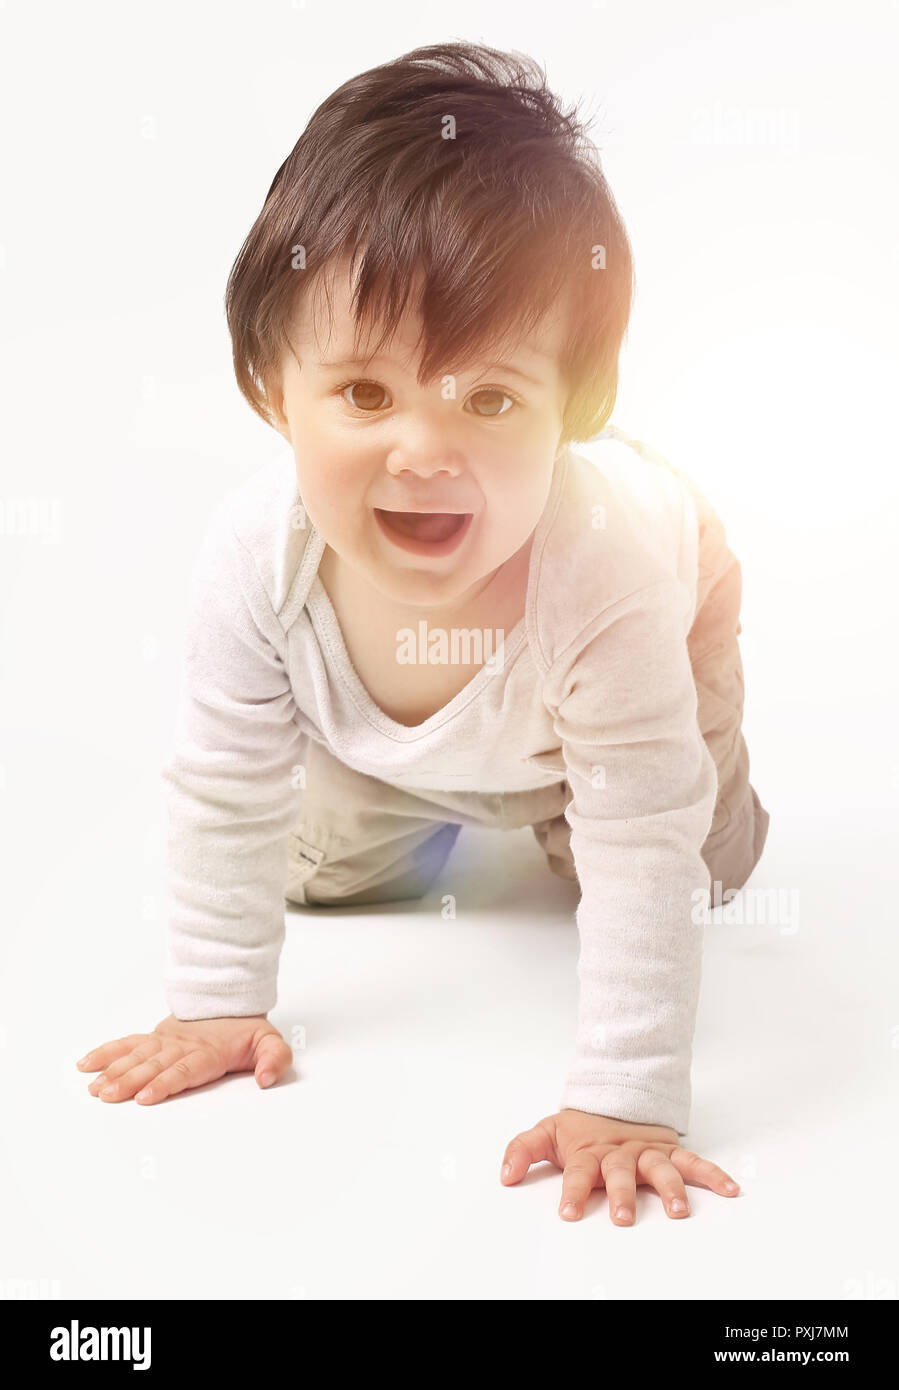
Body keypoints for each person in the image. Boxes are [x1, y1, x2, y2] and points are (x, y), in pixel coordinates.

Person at [76, 41, 769, 1226]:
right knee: (319, 875)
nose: (421, 450)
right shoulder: (257, 556)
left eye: (489, 398)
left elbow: (643, 834)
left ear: (574, 415)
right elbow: (227, 790)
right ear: (268, 387)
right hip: (386, 727)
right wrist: (213, 999)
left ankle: (552, 795)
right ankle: (448, 795)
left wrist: (627, 1094)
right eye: (361, 394)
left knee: (682, 859)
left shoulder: (600, 565)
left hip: (640, 629)